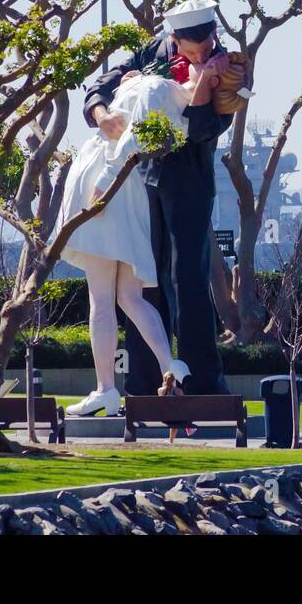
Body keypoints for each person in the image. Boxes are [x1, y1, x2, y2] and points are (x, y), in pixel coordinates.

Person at [82, 0, 241, 399]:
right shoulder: (151, 51)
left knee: (189, 278)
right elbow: (100, 85)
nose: (201, 56)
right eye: (191, 52)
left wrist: (204, 83)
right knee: (145, 279)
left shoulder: (227, 67)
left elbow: (208, 128)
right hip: (143, 181)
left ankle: (203, 381)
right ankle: (146, 380)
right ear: (173, 39)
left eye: (206, 48)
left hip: (190, 180)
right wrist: (103, 114)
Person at [60, 56, 203, 415]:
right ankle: (170, 363)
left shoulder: (151, 89)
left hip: (110, 190)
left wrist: (103, 186)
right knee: (130, 297)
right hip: (126, 191)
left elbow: (127, 142)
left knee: (103, 298)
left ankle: (106, 388)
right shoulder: (168, 96)